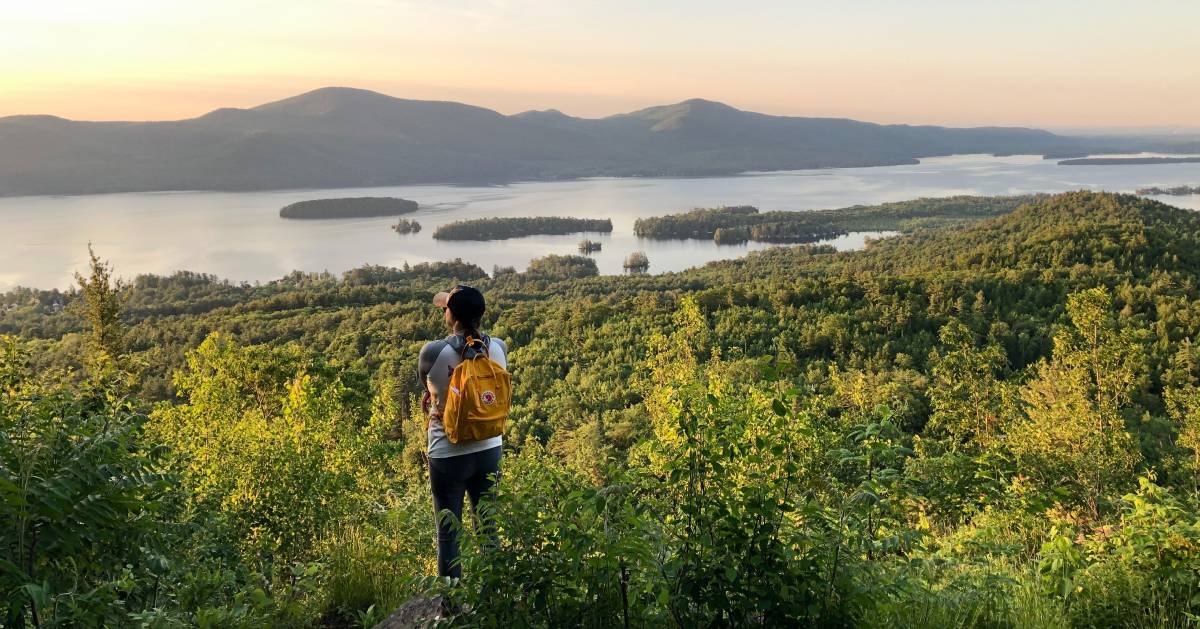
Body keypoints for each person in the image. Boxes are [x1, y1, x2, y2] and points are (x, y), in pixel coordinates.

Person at [418, 284, 507, 579]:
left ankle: (451, 607)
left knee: (448, 534)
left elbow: (429, 385)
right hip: (489, 448)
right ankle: (495, 597)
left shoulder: (433, 352)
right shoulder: (498, 348)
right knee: (488, 529)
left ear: (452, 315)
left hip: (448, 453)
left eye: (445, 308)